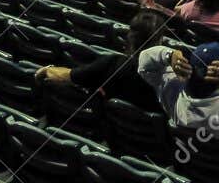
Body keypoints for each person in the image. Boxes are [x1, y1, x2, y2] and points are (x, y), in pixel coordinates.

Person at [35, 9, 171, 111]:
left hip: (116, 139)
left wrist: (47, 70)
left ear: (130, 38)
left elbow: (67, 76)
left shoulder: (112, 64)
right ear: (159, 42)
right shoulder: (169, 78)